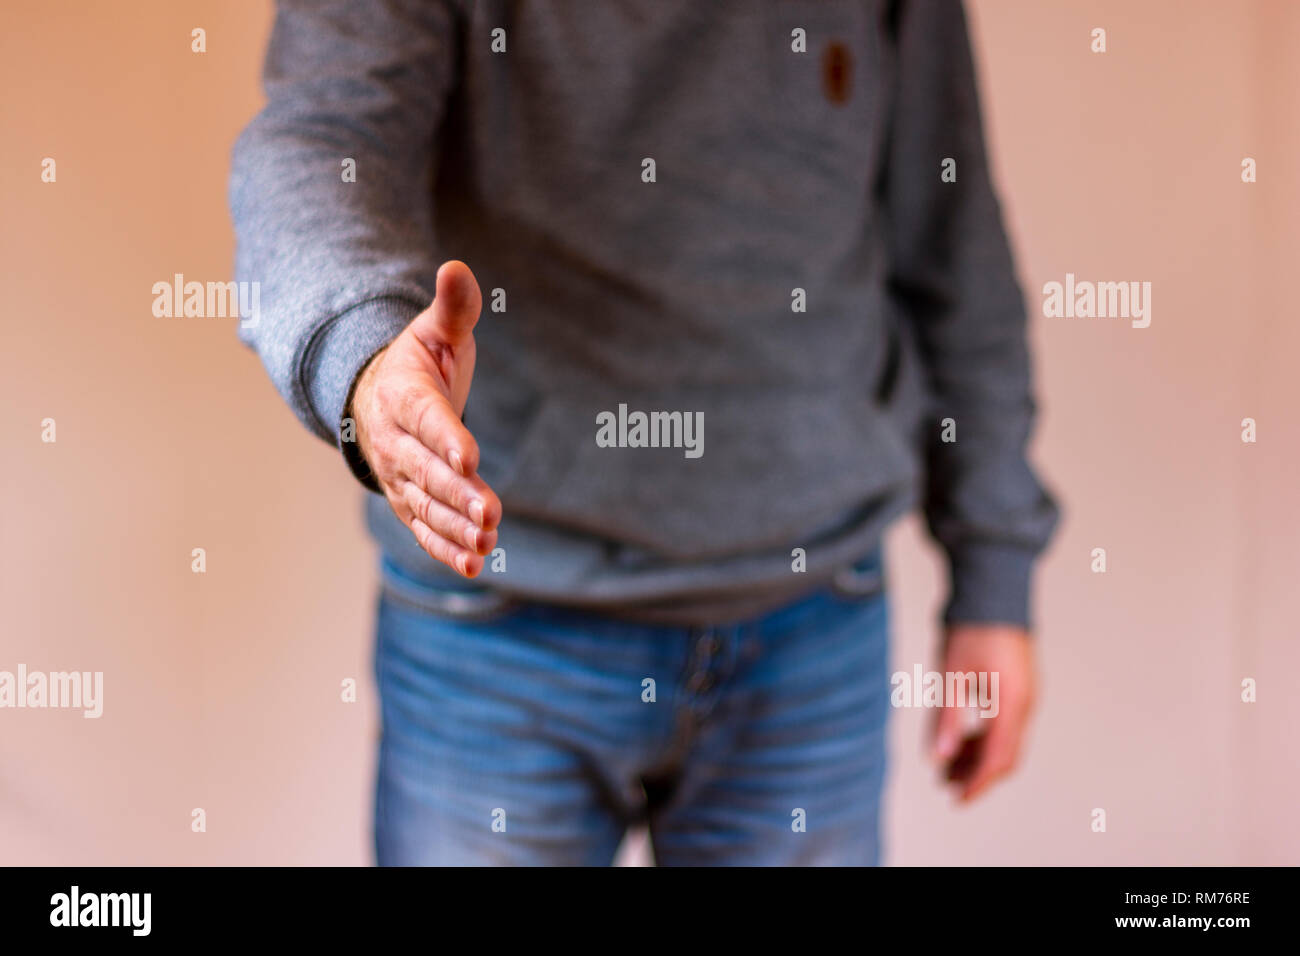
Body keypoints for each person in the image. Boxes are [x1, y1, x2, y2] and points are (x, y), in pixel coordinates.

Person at [230, 0, 1059, 866]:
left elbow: (952, 237)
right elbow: (321, 141)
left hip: (812, 620)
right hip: (496, 626)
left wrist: (994, 579)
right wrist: (366, 357)